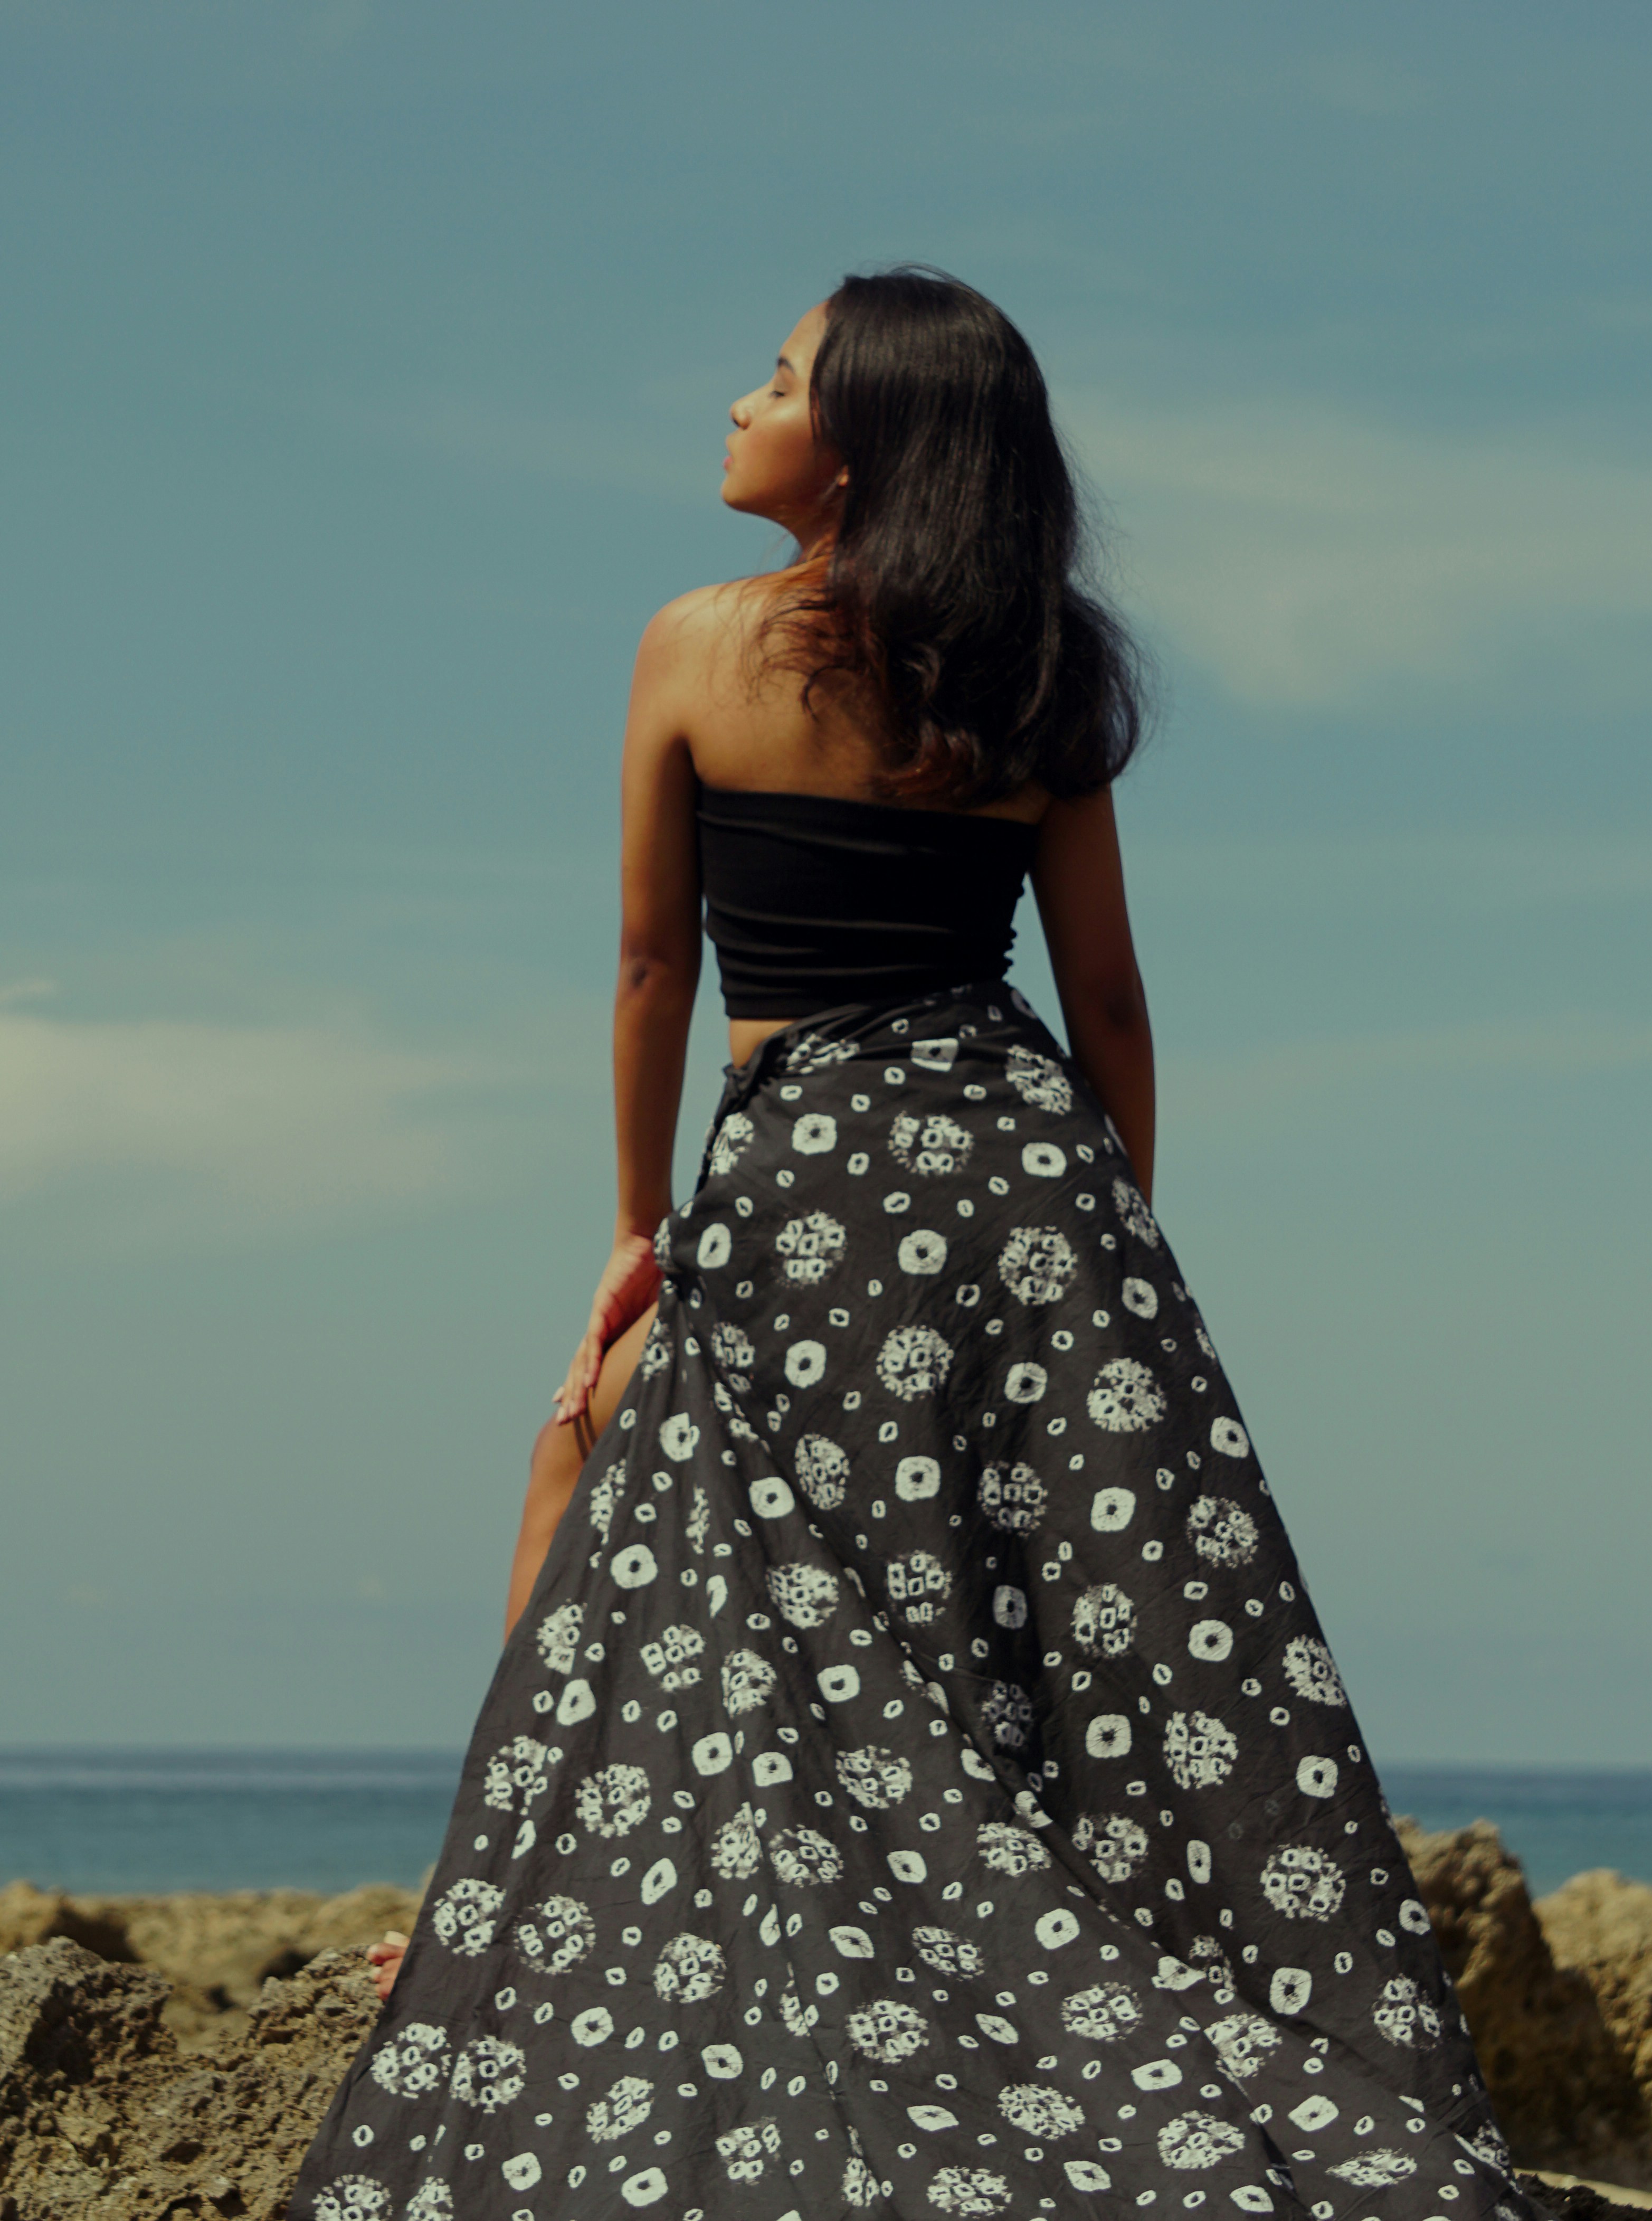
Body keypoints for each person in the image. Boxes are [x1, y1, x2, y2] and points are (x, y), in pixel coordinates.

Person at [292, 268, 1537, 2221]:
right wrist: (1105, 1257)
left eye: (772, 377)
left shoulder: (698, 648)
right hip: (1020, 1167)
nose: (735, 401)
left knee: (707, 1560)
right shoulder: (1041, 677)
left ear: (854, 444)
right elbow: (1111, 1000)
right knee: (1020, 1610)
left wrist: (639, 1221)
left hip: (806, 1165)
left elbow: (649, 965)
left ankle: (571, 1937)